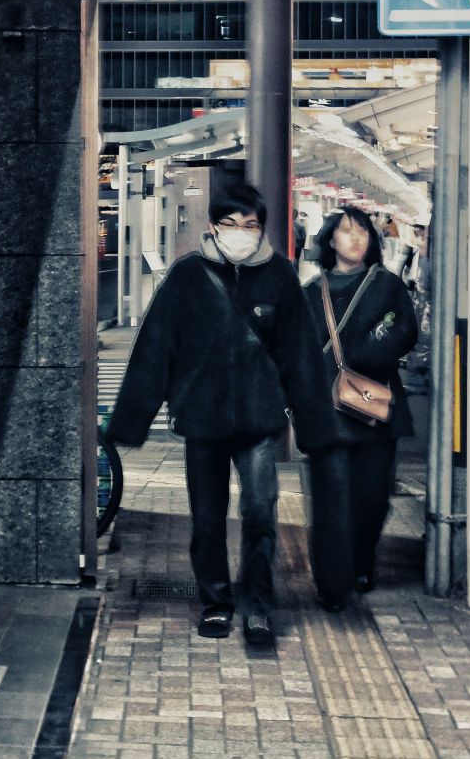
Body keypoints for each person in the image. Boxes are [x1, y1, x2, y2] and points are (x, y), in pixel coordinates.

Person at [107, 182, 337, 647]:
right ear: (213, 226)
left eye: (249, 225)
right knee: (208, 517)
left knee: (259, 513)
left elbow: (301, 356)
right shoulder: (188, 276)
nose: (239, 233)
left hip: (259, 419)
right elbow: (155, 348)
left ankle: (257, 606)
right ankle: (215, 602)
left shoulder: (280, 276)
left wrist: (317, 426)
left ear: (261, 229)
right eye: (230, 224)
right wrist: (130, 421)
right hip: (202, 420)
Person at [304, 207, 418, 612]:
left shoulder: (387, 285)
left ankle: (363, 560)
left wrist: (361, 358)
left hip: (374, 409)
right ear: (330, 240)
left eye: (363, 232)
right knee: (330, 500)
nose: (356, 239)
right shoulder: (311, 291)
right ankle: (332, 580)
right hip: (328, 412)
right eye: (346, 232)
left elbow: (403, 329)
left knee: (372, 496)